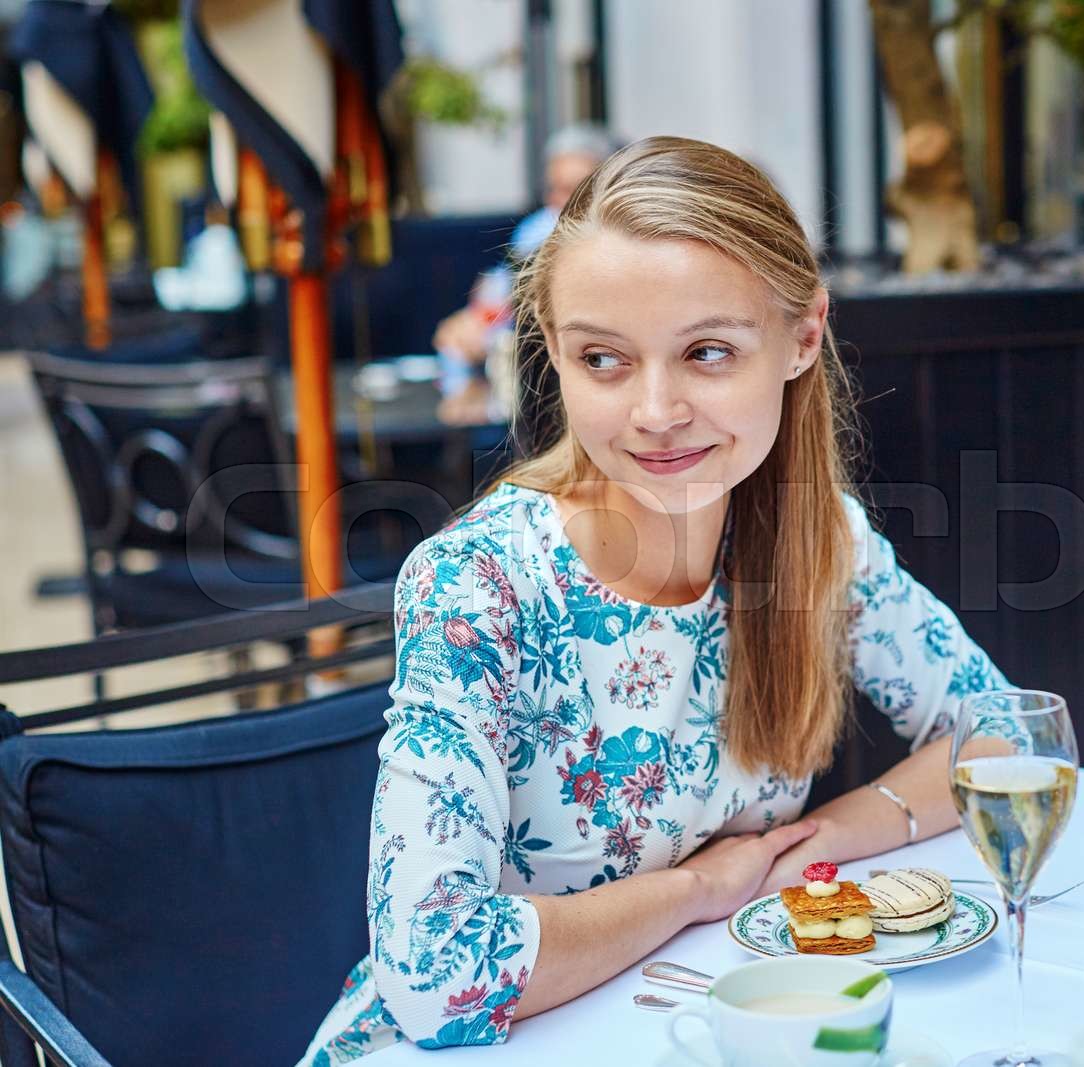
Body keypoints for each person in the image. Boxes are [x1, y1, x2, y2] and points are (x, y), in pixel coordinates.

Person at [296, 136, 1009, 1063]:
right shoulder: (479, 583)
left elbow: (1007, 734)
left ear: (802, 338)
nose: (656, 412)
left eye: (708, 352)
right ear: (554, 351)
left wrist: (817, 841)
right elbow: (435, 975)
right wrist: (700, 890)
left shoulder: (817, 539)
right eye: (604, 359)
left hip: (698, 1021)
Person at [433, 124, 618, 425]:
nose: (560, 202)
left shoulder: (618, 243)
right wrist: (477, 322)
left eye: (574, 189)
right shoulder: (538, 228)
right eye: (554, 189)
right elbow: (503, 289)